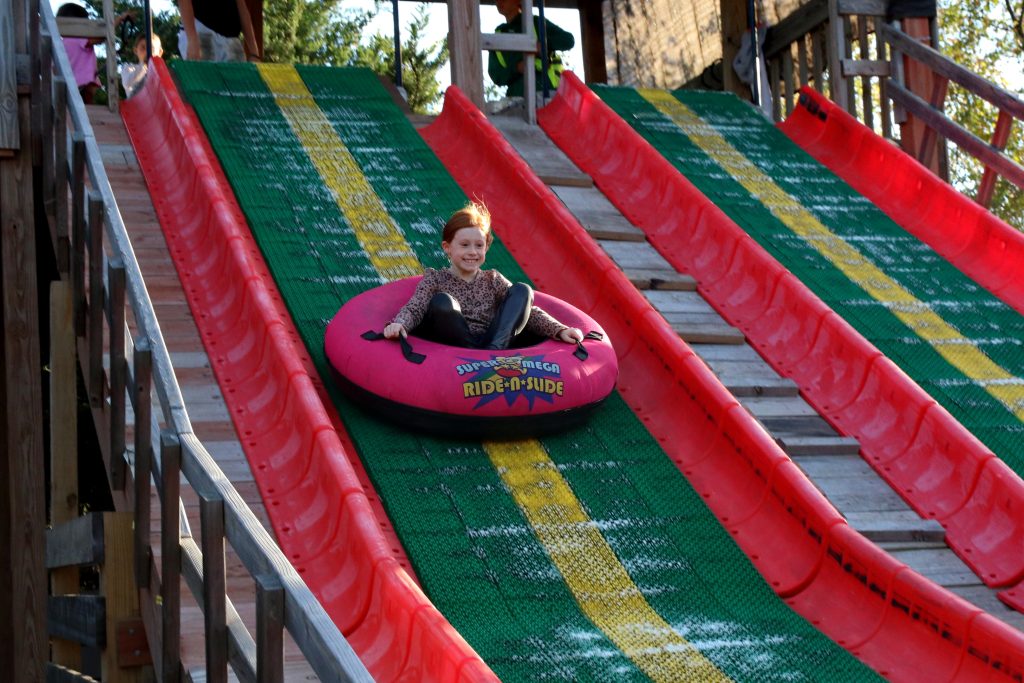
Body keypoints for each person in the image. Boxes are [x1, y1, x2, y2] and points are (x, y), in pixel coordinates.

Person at [384, 202, 583, 350]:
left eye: (479, 245)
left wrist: (560, 330)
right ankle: (473, 356)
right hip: (458, 345)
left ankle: (492, 353)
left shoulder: (492, 279)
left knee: (522, 290)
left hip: (493, 343)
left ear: (486, 247)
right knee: (442, 302)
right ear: (447, 248)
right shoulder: (435, 279)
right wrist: (400, 324)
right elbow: (416, 307)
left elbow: (525, 312)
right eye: (464, 245)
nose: (472, 252)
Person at [487, 0, 574, 98]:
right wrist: (517, 68)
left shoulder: (536, 22)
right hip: (517, 100)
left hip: (546, 95)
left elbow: (568, 40)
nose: (499, 2)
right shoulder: (498, 35)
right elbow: (496, 75)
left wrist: (543, 45)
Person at [178, 0, 260, 62]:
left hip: (232, 42)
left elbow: (242, 8)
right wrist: (192, 38)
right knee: (202, 82)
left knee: (241, 83)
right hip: (202, 33)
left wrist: (254, 53)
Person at [121, 33, 163, 98]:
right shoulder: (130, 68)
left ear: (159, 52)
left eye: (152, 49)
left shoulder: (162, 71)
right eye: (143, 48)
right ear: (135, 50)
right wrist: (143, 66)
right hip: (137, 103)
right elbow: (127, 83)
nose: (147, 52)